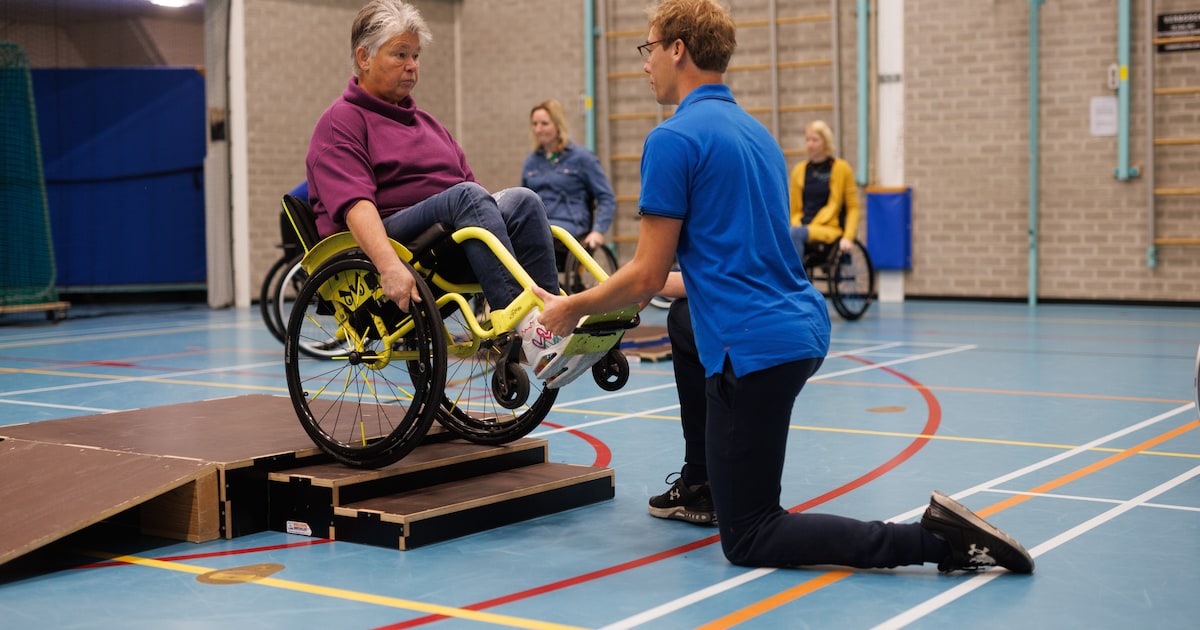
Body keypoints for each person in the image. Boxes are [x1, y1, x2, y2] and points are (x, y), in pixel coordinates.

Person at [535, 0, 1033, 574]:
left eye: (650, 48)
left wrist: (573, 307)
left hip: (755, 347)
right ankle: (703, 479)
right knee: (685, 324)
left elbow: (645, 275)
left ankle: (937, 542)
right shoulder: (758, 135)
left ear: (678, 49)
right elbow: (701, 271)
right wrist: (620, 294)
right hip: (799, 326)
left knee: (751, 535)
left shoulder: (672, 139)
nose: (645, 64)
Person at [305, 0, 580, 387]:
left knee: (523, 201)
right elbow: (355, 205)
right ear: (364, 57)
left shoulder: (429, 125)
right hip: (393, 239)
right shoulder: (342, 122)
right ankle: (527, 326)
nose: (412, 65)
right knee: (465, 196)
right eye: (400, 54)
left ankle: (552, 320)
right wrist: (388, 265)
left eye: (415, 56)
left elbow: (477, 196)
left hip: (446, 239)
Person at [521, 99, 617, 252]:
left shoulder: (582, 158)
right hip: (539, 225)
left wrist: (598, 231)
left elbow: (606, 197)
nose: (538, 129)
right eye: (535, 124)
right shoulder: (531, 162)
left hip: (569, 228)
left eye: (544, 124)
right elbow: (523, 201)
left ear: (558, 125)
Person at [788, 120, 860, 261]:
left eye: (815, 140)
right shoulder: (799, 170)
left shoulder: (842, 169)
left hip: (828, 227)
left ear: (826, 142)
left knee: (795, 234)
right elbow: (793, 208)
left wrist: (848, 237)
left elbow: (853, 208)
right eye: (807, 140)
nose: (810, 144)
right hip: (801, 225)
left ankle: (794, 275)